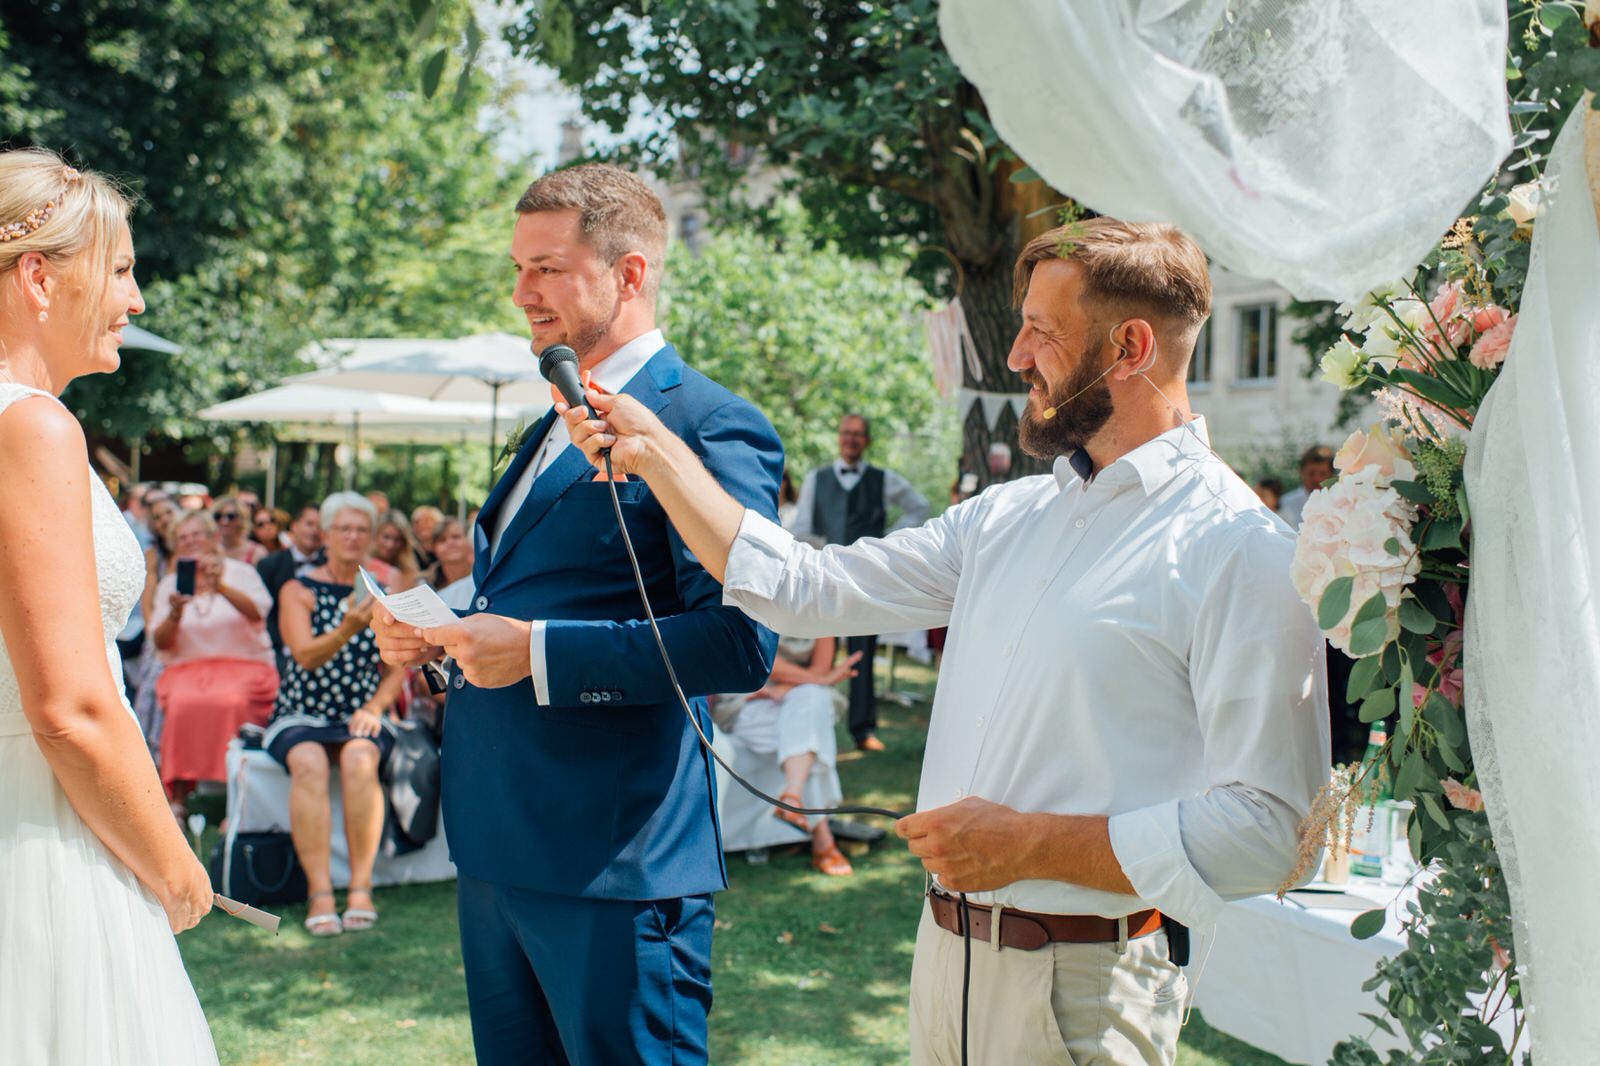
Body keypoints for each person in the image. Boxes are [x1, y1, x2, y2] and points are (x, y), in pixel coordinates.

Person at [565, 217, 1330, 1066]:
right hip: (944, 958)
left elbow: (1272, 831)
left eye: (1043, 330)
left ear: (1132, 347)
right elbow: (806, 586)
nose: (1018, 357)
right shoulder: (1009, 515)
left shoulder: (1240, 547)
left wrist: (1034, 844)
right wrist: (659, 453)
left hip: (1084, 984)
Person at [373, 162, 781, 1066]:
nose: (521, 293)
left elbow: (742, 641)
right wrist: (437, 636)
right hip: (495, 848)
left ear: (629, 274)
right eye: (518, 269)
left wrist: (539, 653)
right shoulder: (547, 418)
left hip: (616, 861)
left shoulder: (712, 424)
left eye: (546, 269)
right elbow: (528, 598)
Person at [0, 147, 216, 1063]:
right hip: (43, 837)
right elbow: (73, 710)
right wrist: (173, 867)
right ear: (38, 276)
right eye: (122, 270)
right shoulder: (30, 427)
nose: (135, 300)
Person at [265, 492, 405, 937]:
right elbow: (304, 656)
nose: (352, 536)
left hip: (359, 708)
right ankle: (320, 890)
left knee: (359, 758)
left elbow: (399, 662)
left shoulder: (387, 584)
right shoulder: (297, 588)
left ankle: (361, 887)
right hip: (302, 709)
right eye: (343, 528)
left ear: (371, 537)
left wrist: (375, 707)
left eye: (361, 529)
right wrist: (347, 628)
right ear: (325, 535)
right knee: (307, 762)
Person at [791, 413, 929, 752]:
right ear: (839, 438)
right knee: (814, 649)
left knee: (862, 654)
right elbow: (802, 527)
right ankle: (806, 722)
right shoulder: (816, 479)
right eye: (845, 433)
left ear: (866, 441)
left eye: (857, 434)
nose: (850, 439)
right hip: (824, 575)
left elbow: (919, 507)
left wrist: (886, 540)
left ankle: (863, 729)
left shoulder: (884, 480)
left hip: (865, 578)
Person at [148, 510, 278, 817]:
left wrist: (220, 585)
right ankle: (178, 798)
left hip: (245, 665)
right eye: (183, 538)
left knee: (231, 701)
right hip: (188, 669)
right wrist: (175, 613)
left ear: (212, 538)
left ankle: (241, 794)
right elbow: (160, 641)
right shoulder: (171, 584)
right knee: (181, 704)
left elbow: (258, 613)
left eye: (196, 535)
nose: (190, 542)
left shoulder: (240, 572)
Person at [710, 636, 863, 875]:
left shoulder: (822, 608)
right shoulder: (758, 602)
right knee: (810, 723)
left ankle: (792, 797)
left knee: (812, 701)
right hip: (749, 696)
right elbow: (764, 661)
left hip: (797, 696)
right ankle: (820, 834)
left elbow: (821, 668)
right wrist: (819, 680)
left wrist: (787, 688)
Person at [257, 503, 325, 669]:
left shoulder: (332, 565)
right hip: (278, 652)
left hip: (324, 650)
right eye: (309, 524)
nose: (314, 531)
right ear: (294, 526)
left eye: (319, 526)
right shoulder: (269, 565)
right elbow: (265, 613)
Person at [1276, 444, 1334, 527]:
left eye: (1323, 474)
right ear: (1302, 472)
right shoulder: (1285, 503)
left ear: (1331, 475)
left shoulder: (1340, 504)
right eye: (1311, 473)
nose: (1316, 479)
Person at [420, 515, 474, 595]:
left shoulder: (482, 577)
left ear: (468, 541)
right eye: (442, 540)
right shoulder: (424, 584)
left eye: (456, 537)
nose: (450, 543)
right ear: (433, 548)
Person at [371, 509, 422, 590]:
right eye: (386, 537)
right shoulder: (364, 565)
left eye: (397, 539)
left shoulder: (410, 573)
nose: (390, 545)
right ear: (376, 535)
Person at [213, 494, 267, 565]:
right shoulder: (207, 550)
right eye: (218, 516)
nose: (224, 522)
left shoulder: (257, 552)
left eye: (231, 516)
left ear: (242, 519)